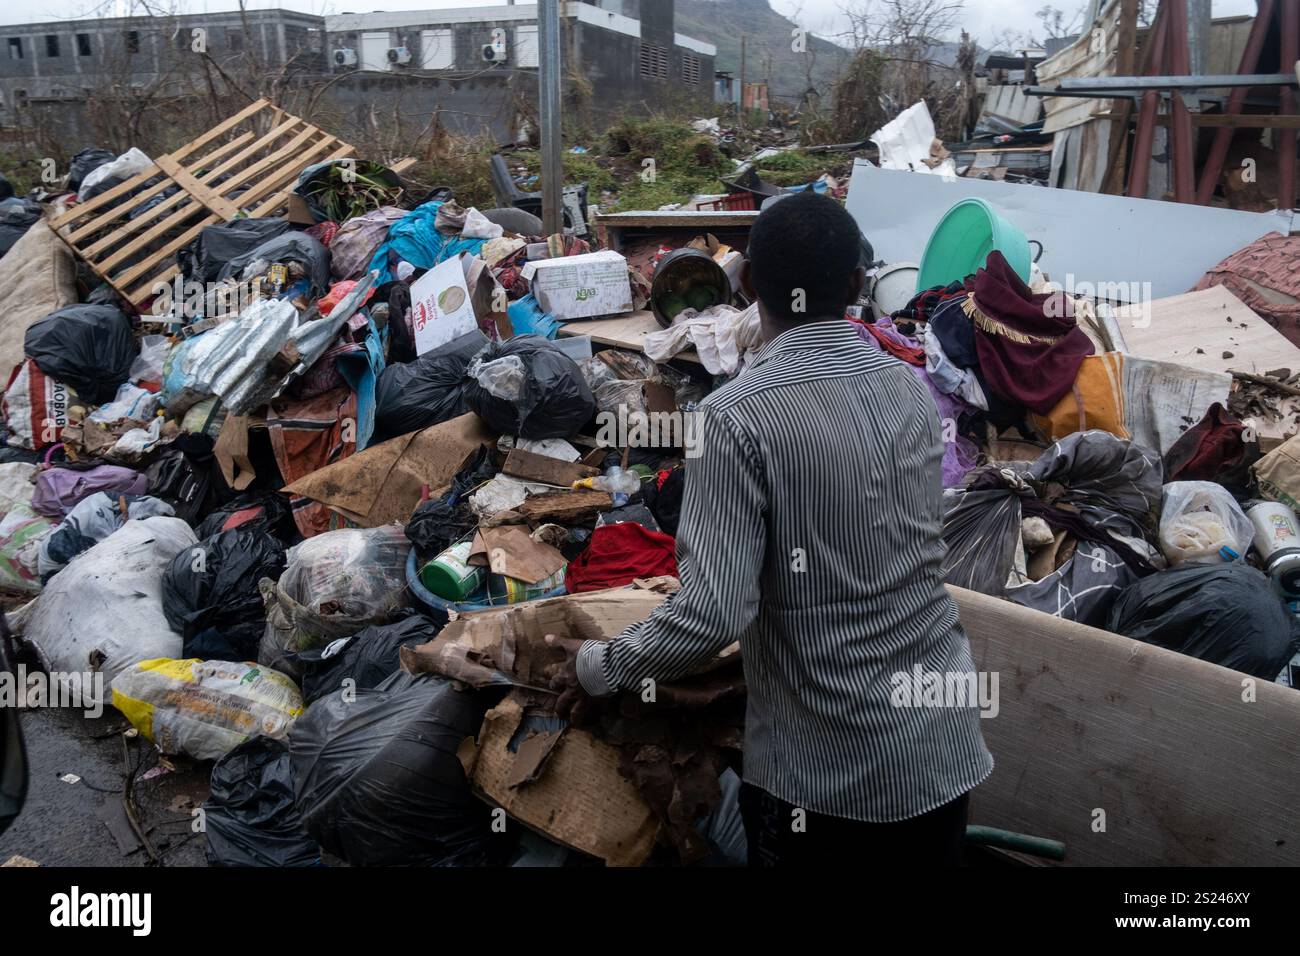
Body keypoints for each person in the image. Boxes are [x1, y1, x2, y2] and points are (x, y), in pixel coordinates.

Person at [548, 191, 993, 866]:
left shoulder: (735, 417)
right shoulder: (909, 390)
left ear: (750, 283)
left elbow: (711, 613)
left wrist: (597, 667)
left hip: (832, 777)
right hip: (941, 746)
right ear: (855, 283)